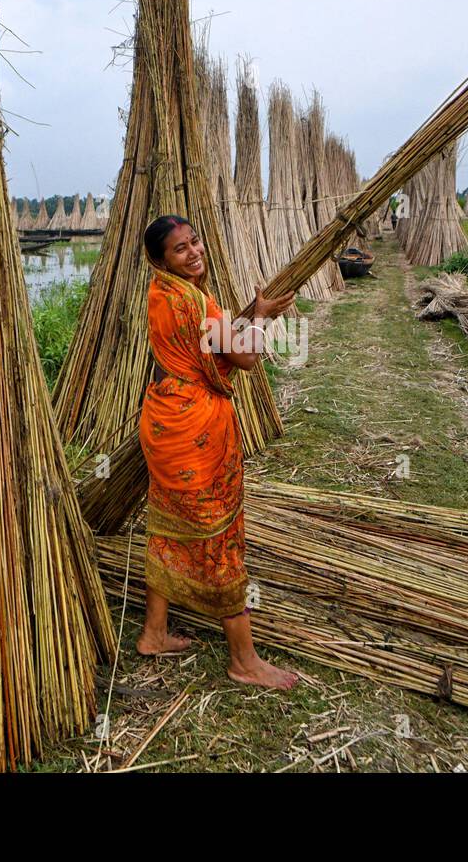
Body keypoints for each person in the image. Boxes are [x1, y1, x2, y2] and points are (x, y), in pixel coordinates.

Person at [138, 213, 299, 690]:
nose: (194, 252)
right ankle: (243, 660)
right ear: (160, 259)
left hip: (164, 423)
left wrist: (246, 312)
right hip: (197, 432)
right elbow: (244, 358)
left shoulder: (161, 294)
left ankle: (153, 632)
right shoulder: (195, 300)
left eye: (195, 242)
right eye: (181, 249)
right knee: (218, 539)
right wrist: (262, 317)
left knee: (167, 526)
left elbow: (214, 343)